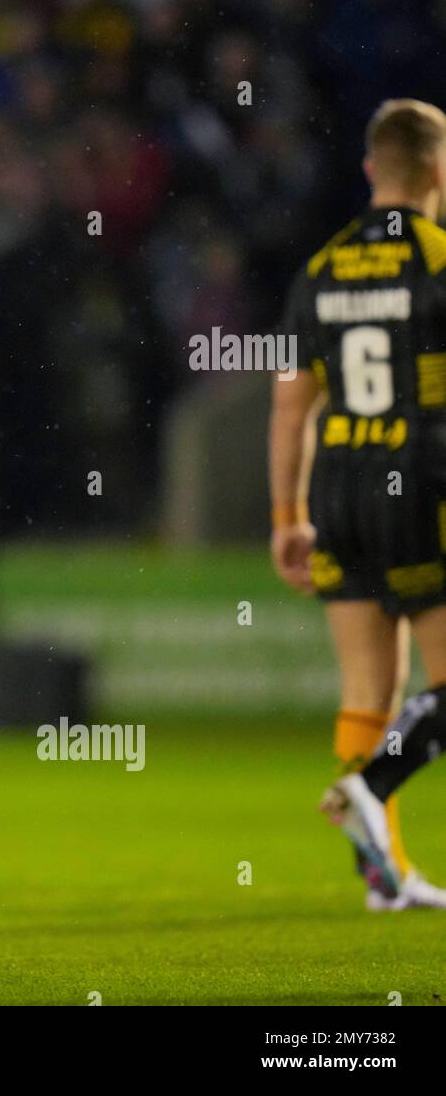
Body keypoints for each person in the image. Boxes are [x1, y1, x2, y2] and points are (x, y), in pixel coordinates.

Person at [271, 98, 446, 909]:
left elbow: (289, 405)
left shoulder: (323, 265)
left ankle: (381, 877)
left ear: (372, 167)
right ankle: (374, 786)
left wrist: (286, 517)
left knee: (369, 689)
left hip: (338, 487)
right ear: (440, 171)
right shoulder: (440, 258)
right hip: (422, 483)